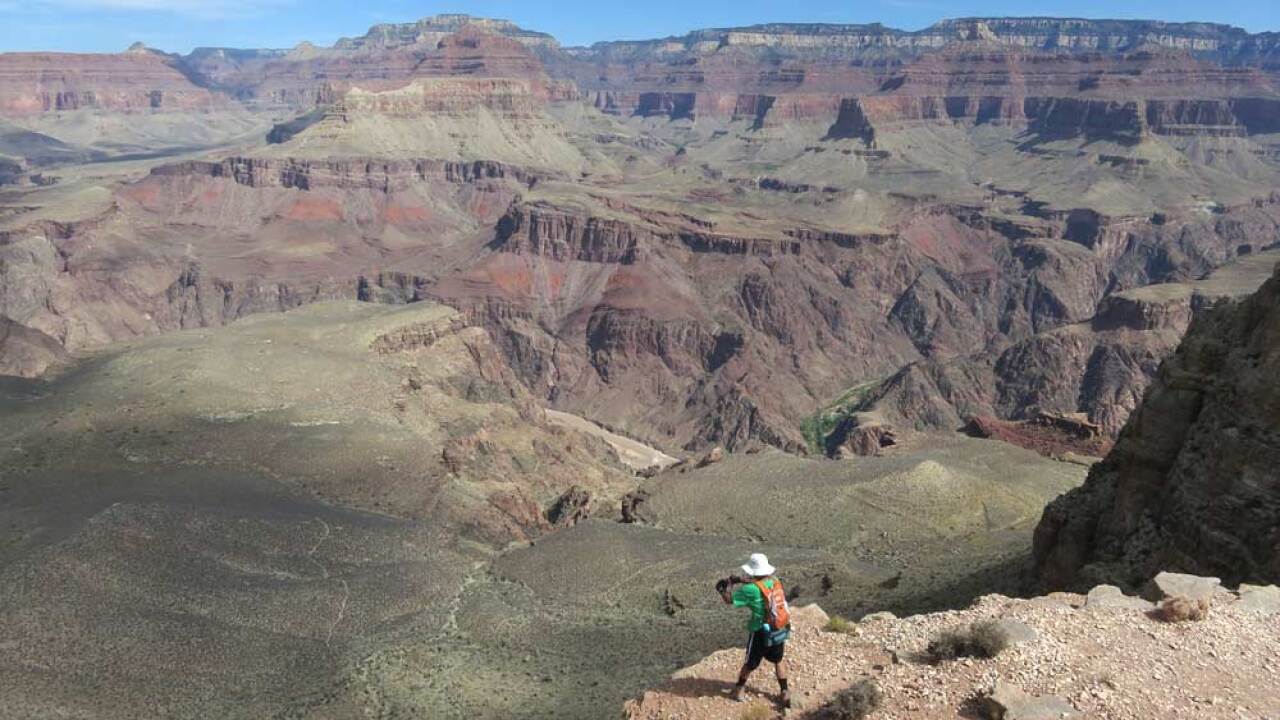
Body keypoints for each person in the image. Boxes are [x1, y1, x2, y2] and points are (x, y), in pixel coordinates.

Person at [716, 552, 792, 707]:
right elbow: (759, 583)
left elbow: (730, 600)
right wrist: (739, 580)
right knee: (778, 661)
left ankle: (739, 689)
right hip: (778, 628)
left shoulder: (749, 590)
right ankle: (784, 691)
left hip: (759, 631)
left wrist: (722, 589)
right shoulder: (775, 581)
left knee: (749, 663)